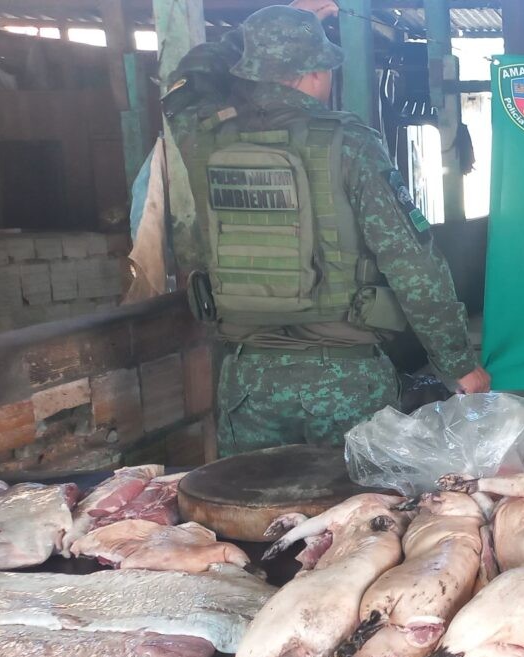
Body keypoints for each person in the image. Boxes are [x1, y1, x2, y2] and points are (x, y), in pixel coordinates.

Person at [163, 3, 490, 457]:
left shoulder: (203, 136)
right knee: (361, 501)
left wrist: (251, 35)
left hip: (247, 383)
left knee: (251, 497)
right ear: (315, 72)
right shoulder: (350, 142)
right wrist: (458, 362)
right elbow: (412, 263)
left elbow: (184, 80)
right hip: (346, 380)